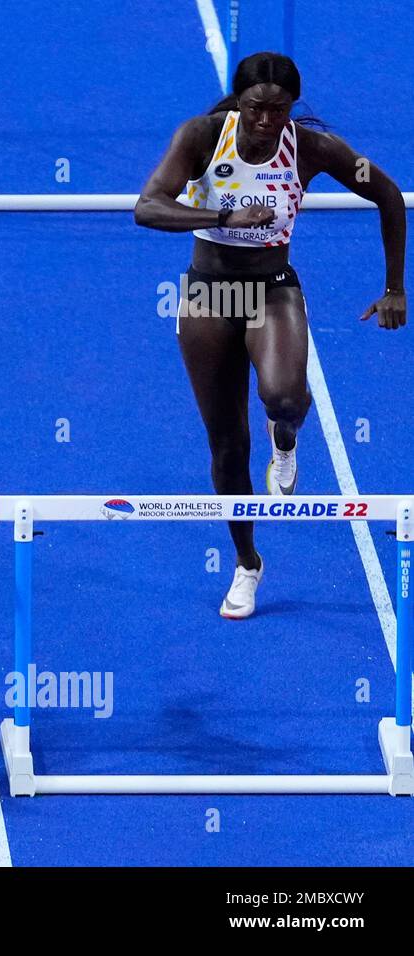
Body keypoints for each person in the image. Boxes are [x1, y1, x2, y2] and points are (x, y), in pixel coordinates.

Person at [135, 52, 405, 618]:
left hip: (273, 287)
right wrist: (219, 219)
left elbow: (387, 194)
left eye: (278, 111)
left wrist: (395, 287)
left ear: (291, 108)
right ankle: (247, 564)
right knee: (228, 446)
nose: (265, 121)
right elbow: (148, 207)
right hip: (208, 292)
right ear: (239, 102)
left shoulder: (311, 149)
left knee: (285, 398)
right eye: (256, 108)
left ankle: (286, 439)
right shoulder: (203, 136)